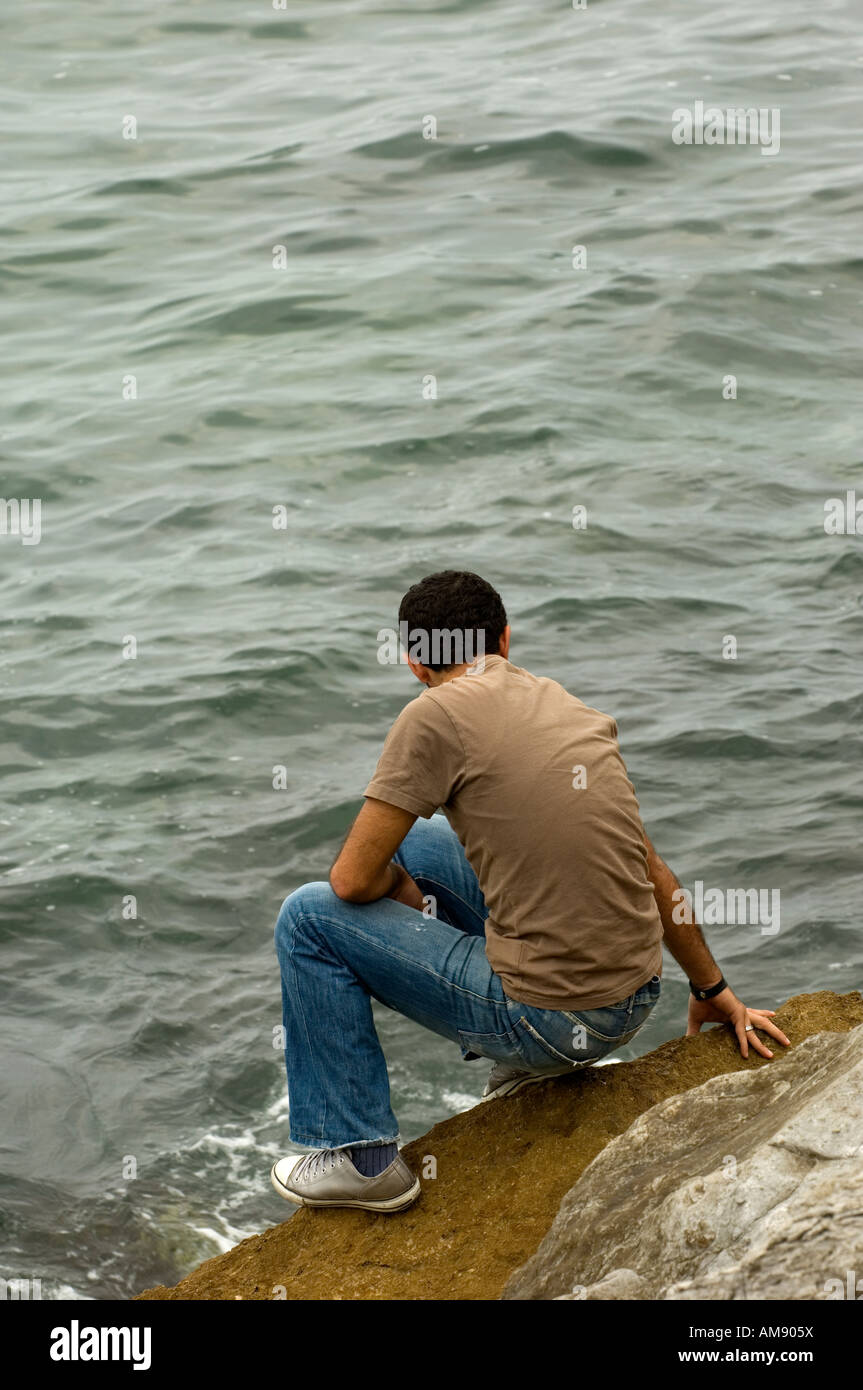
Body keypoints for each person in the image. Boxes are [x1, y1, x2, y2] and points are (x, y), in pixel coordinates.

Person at [270, 570, 789, 1212]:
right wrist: (714, 991)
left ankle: (357, 1155)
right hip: (634, 996)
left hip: (552, 1017)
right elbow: (647, 865)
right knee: (417, 842)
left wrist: (396, 894)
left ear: (412, 662)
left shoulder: (430, 715)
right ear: (505, 641)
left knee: (307, 918)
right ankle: (519, 1069)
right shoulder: (567, 705)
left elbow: (349, 882)